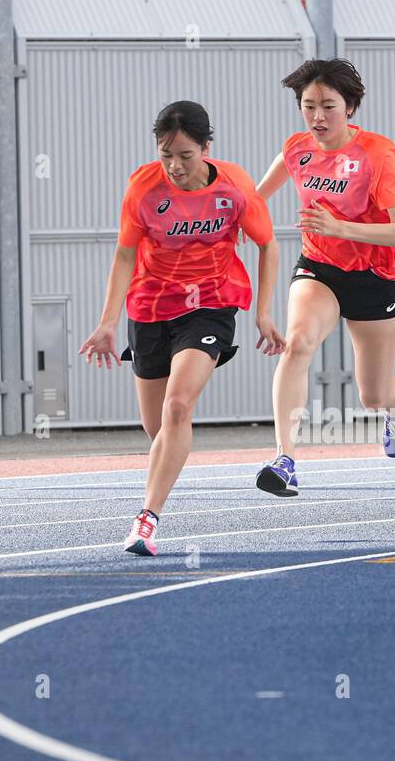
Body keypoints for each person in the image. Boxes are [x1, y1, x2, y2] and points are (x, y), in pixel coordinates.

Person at [79, 101, 283, 555]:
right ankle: (162, 484)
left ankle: (146, 520)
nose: (175, 166)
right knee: (159, 431)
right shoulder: (143, 189)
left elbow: (268, 245)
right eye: (166, 154)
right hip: (151, 309)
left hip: (211, 305)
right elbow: (125, 255)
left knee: (177, 406)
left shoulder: (235, 187)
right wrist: (107, 322)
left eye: (186, 155)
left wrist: (263, 312)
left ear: (207, 148)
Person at [252, 58, 395, 497]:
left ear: (350, 107)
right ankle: (285, 459)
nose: (318, 117)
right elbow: (253, 201)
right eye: (308, 106)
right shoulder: (297, 149)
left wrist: (342, 227)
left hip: (374, 275)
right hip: (319, 267)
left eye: (328, 105)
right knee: (298, 342)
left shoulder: (379, 155)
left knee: (373, 395)